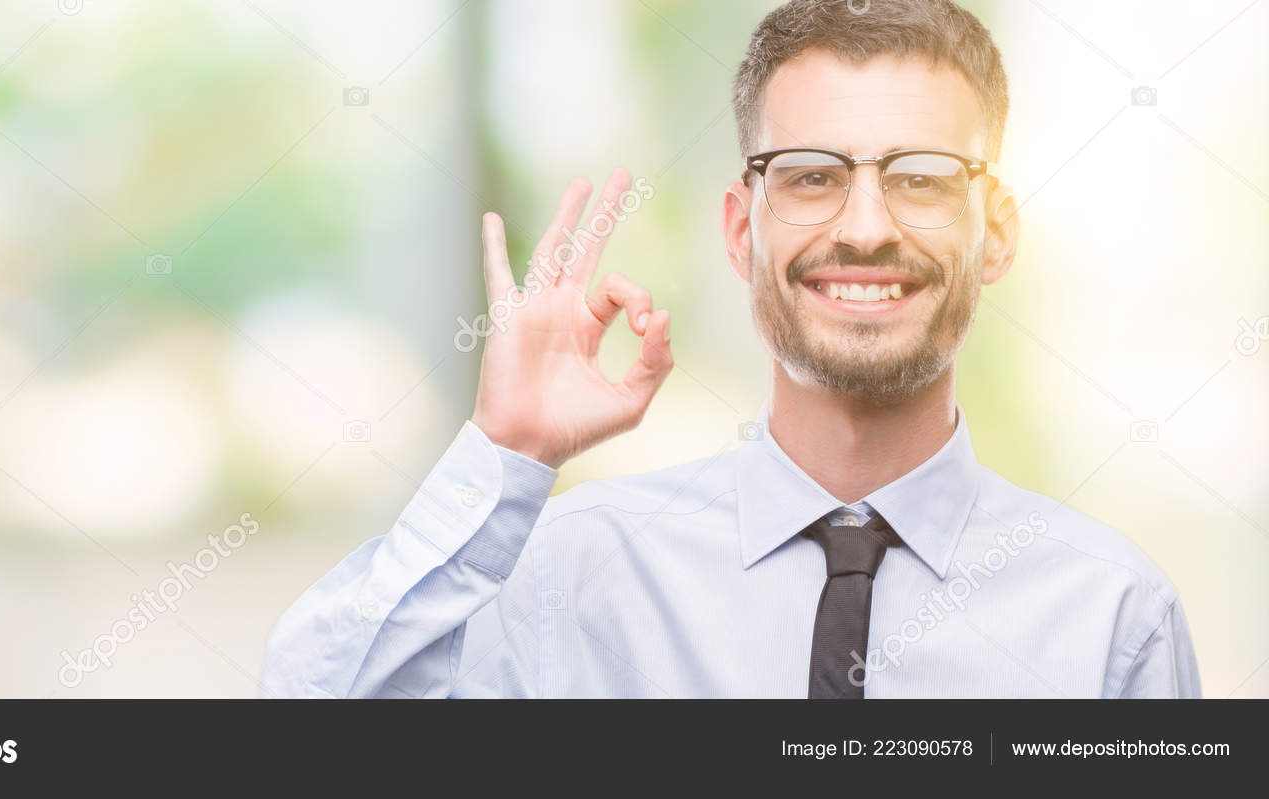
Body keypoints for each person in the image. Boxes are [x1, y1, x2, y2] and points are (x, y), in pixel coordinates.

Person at [259, 0, 1201, 698]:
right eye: (811, 176)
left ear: (994, 232)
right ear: (741, 230)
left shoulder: (1113, 617)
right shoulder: (571, 576)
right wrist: (501, 454)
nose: (866, 227)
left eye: (920, 178)